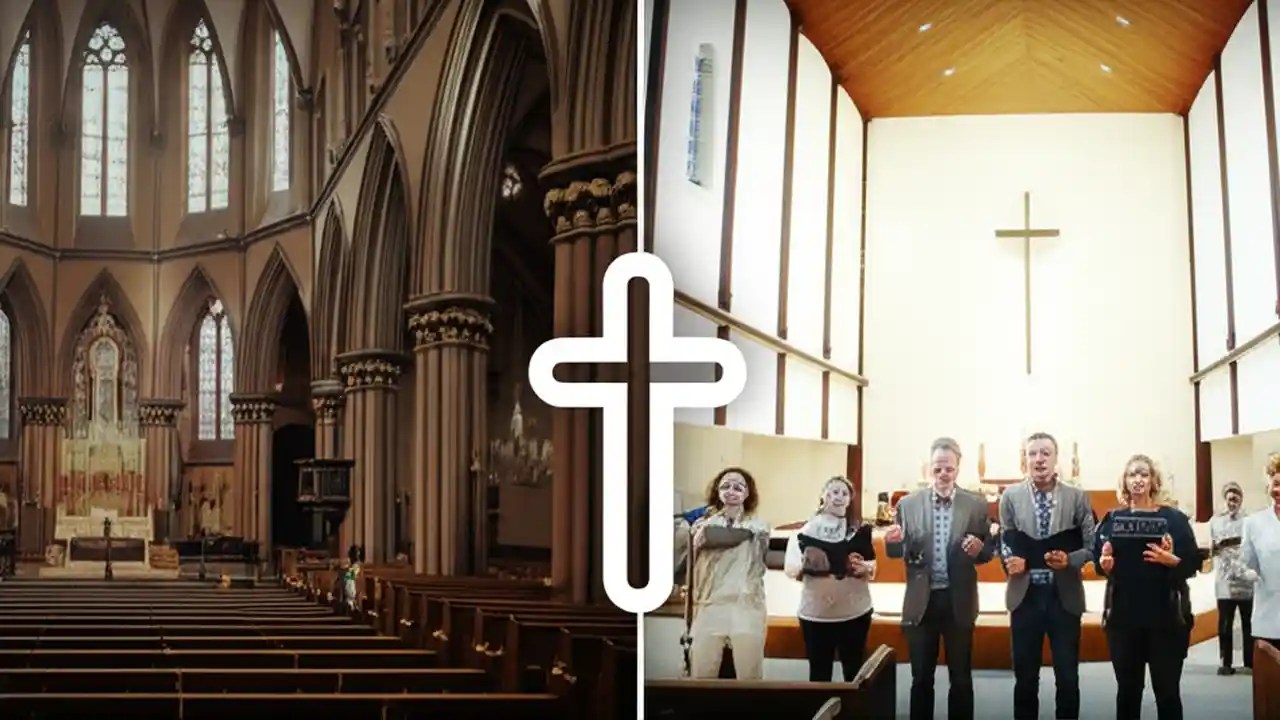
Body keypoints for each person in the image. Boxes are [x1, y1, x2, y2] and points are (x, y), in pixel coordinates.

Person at [885, 437, 995, 720]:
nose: (943, 474)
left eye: (949, 468)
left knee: (960, 678)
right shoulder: (908, 505)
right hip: (922, 602)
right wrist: (893, 542)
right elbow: (899, 551)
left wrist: (981, 549)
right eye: (937, 469)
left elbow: (987, 552)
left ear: (958, 468)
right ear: (928, 469)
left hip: (958, 601)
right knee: (921, 678)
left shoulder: (975, 504)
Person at [998, 431, 1096, 720]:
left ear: (1055, 458)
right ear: (1024, 459)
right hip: (1024, 597)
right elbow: (1005, 541)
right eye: (1032, 453)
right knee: (1025, 679)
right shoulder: (1010, 497)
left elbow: (1092, 546)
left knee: (1067, 677)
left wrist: (1070, 560)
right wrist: (1008, 562)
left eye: (1045, 453)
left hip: (1063, 597)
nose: (1039, 459)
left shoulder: (1077, 497)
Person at [1094, 454, 1198, 719]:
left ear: (1153, 481)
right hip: (1124, 620)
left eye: (1143, 474)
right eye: (1132, 474)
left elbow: (1192, 562)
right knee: (1128, 693)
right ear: (1125, 482)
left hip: (1166, 620)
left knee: (1167, 693)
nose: (1138, 479)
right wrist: (1104, 564)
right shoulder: (1111, 520)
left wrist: (1171, 559)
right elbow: (1099, 561)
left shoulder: (1174, 519)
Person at [783, 475, 877, 681]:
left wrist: (864, 568)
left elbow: (872, 566)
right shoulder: (804, 532)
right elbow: (790, 568)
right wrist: (809, 565)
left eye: (845, 493)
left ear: (850, 500)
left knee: (854, 673)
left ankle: (853, 713)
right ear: (823, 496)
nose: (839, 497)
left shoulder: (858, 532)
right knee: (819, 673)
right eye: (834, 492)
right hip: (817, 615)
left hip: (854, 613)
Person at [685, 467, 770, 679]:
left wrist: (744, 533)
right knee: (702, 673)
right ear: (718, 491)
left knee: (749, 675)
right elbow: (708, 536)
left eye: (738, 487)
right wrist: (738, 533)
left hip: (747, 606)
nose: (732, 490)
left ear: (747, 493)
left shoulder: (758, 525)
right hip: (710, 604)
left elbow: (753, 536)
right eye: (726, 486)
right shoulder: (703, 524)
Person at [1210, 481, 1253, 674]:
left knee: (1248, 623)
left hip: (1245, 579)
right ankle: (1225, 662)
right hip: (1225, 579)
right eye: (1230, 496)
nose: (1232, 500)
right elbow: (1212, 547)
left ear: (1241, 499)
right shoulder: (1216, 521)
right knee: (1225, 623)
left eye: (1236, 496)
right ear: (1225, 498)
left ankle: (1250, 661)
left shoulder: (1249, 521)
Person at [1241, 453, 1280, 651]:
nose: (1279, 490)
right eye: (1276, 484)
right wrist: (1246, 573)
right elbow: (1246, 564)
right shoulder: (1254, 523)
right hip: (1268, 621)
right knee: (1270, 682)